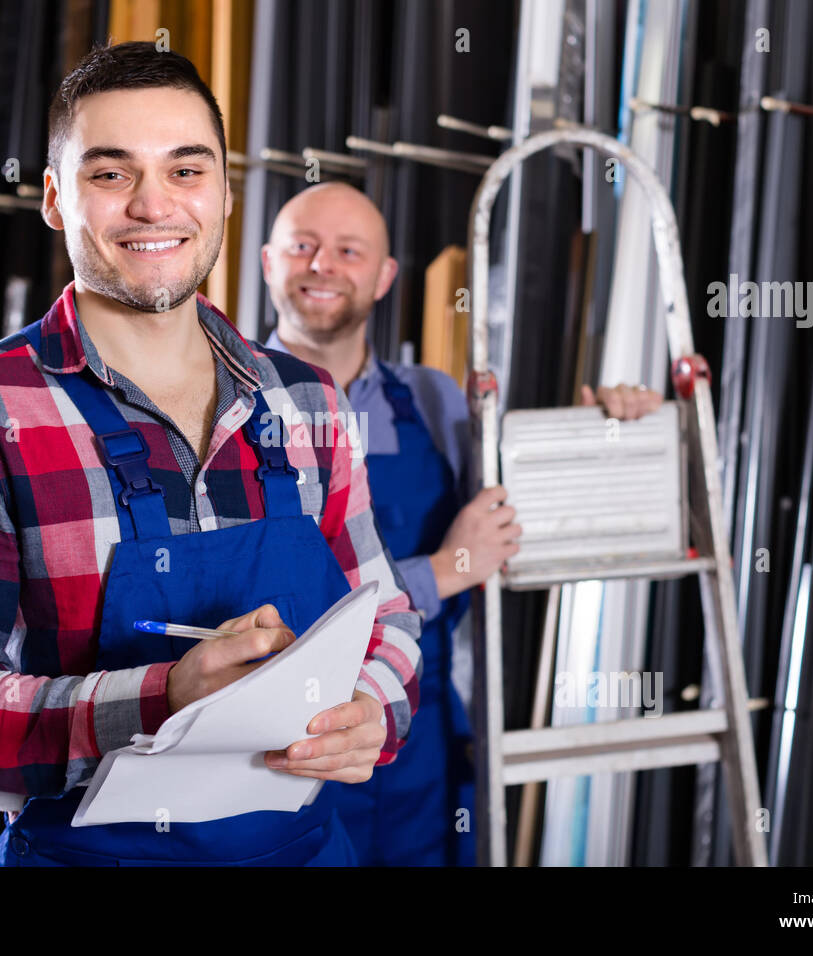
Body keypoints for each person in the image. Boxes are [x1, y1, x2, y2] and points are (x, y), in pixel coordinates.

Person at [0, 43, 422, 867]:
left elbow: (384, 615)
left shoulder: (309, 402)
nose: (153, 205)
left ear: (226, 194)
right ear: (56, 199)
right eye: (111, 174)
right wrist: (162, 700)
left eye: (186, 170)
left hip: (306, 851)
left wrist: (375, 712)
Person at [259, 182, 662, 865]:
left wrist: (609, 430)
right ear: (269, 262)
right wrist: (444, 571)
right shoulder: (228, 400)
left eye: (348, 251)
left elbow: (519, 520)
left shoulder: (429, 398)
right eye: (303, 247)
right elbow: (248, 599)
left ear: (384, 276)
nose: (323, 265)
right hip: (284, 745)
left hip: (422, 740)